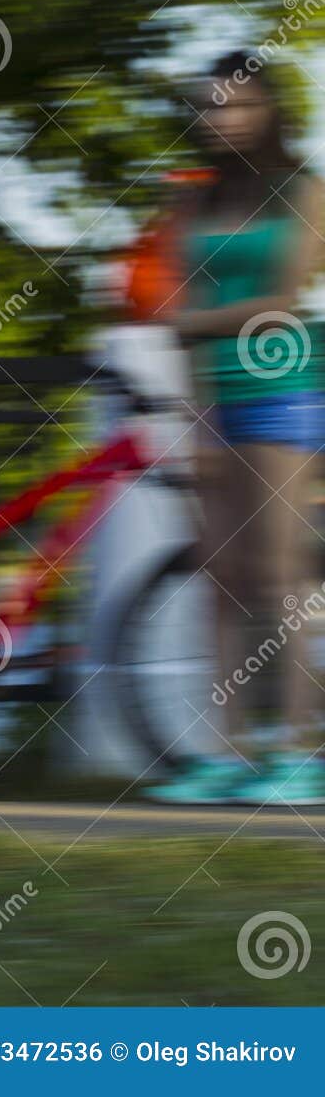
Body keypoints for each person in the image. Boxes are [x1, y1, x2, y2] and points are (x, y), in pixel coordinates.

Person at [141, 51, 325, 806]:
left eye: (240, 104)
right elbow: (181, 332)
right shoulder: (193, 205)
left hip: (286, 391)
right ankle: (224, 755)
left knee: (282, 575)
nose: (224, 118)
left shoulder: (305, 192)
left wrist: (189, 322)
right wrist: (196, 426)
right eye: (211, 107)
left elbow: (281, 303)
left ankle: (299, 752)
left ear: (270, 109)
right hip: (216, 401)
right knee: (219, 577)